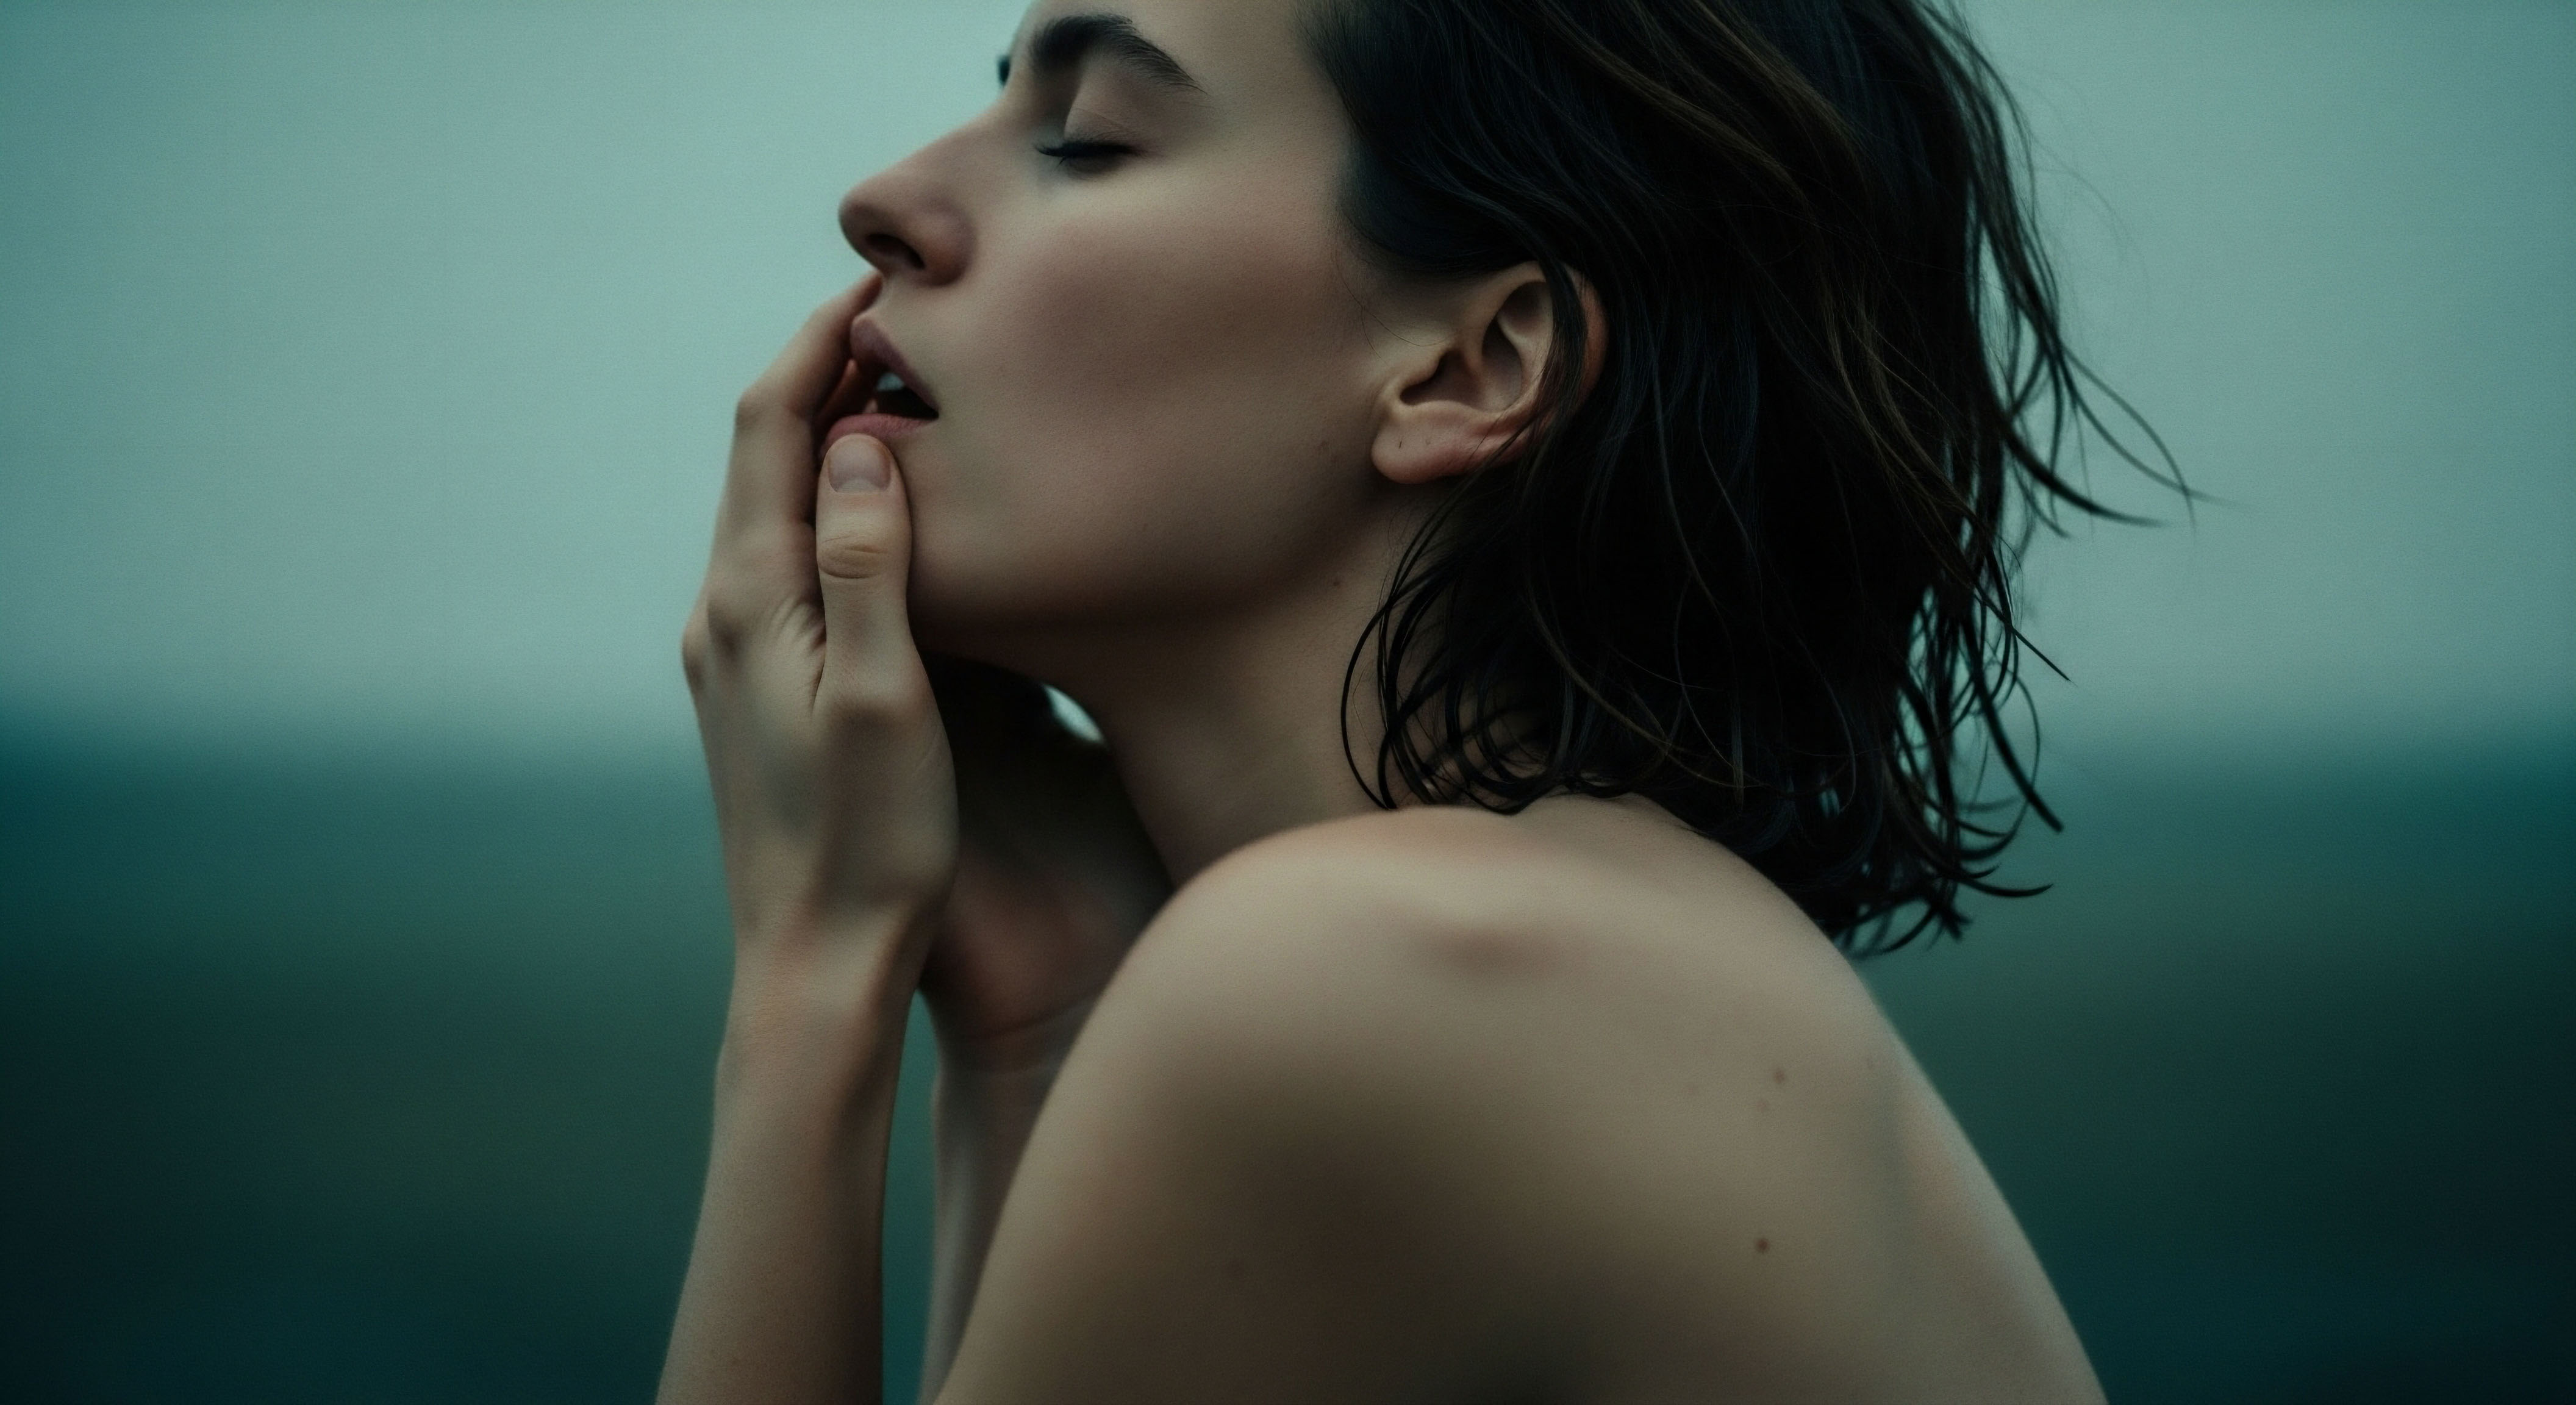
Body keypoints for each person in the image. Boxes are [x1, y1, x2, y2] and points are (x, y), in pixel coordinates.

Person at [659, 0, 2150, 1398]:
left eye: (1090, 140)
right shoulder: (1543, 940)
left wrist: (814, 980)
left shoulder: (1366, 971)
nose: (884, 200)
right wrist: (1037, 1020)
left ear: (1472, 367)